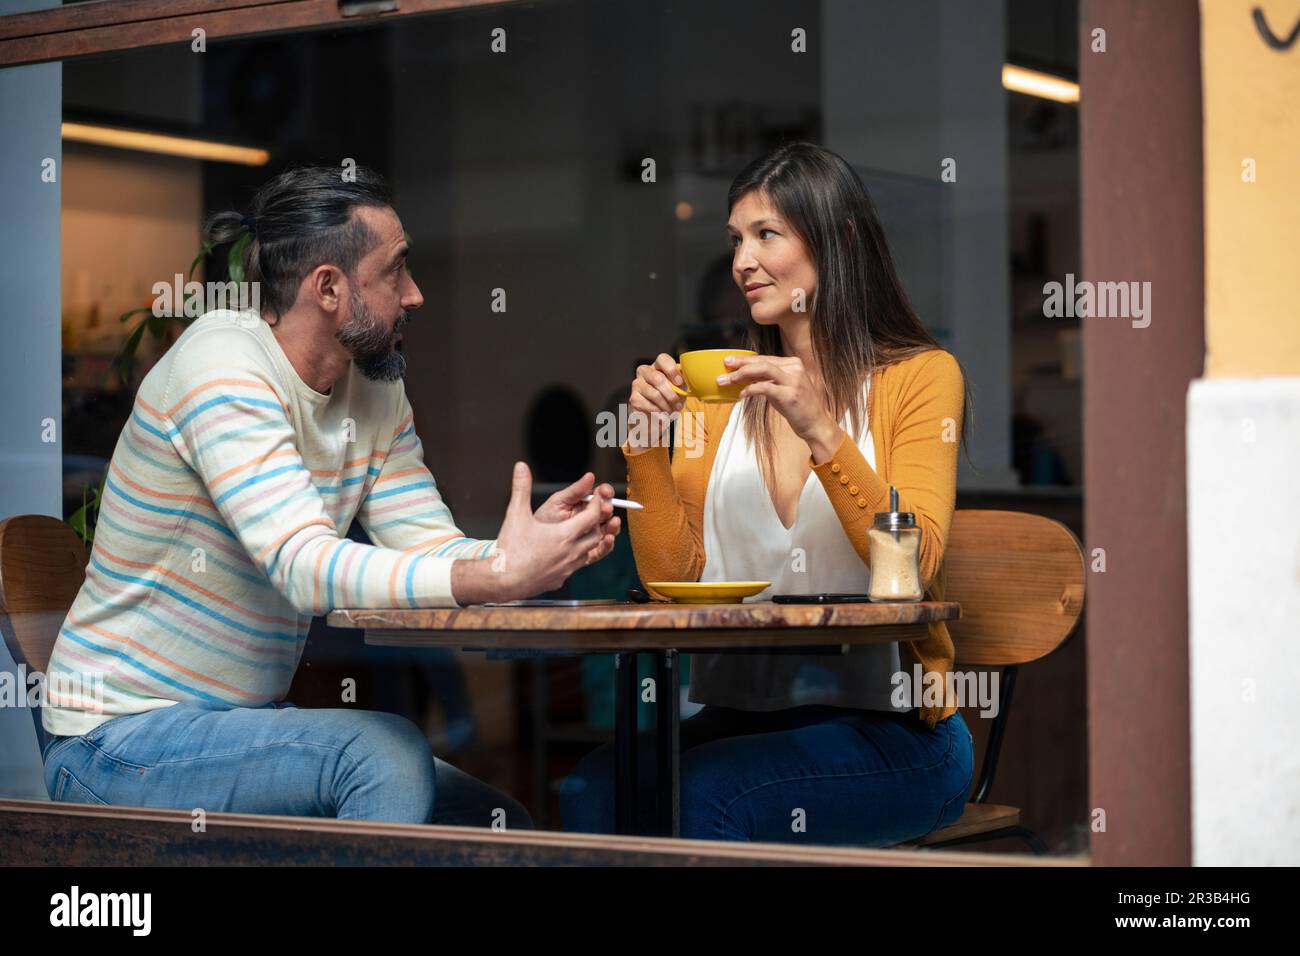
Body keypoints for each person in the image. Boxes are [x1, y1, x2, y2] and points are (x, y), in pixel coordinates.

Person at [40, 165, 620, 827]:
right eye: (397, 270)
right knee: (384, 755)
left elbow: (431, 548)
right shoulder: (223, 364)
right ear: (329, 288)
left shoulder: (374, 390)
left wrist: (521, 551)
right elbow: (303, 567)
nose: (416, 294)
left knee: (497, 820)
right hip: (116, 744)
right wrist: (494, 574)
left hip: (241, 729)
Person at [560, 142, 975, 845]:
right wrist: (644, 443)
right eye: (735, 240)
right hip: (741, 717)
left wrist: (821, 428)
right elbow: (670, 583)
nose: (741, 261)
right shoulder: (718, 395)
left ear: (837, 242)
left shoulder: (922, 378)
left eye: (766, 235)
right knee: (593, 790)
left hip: (898, 731)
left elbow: (913, 566)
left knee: (709, 797)